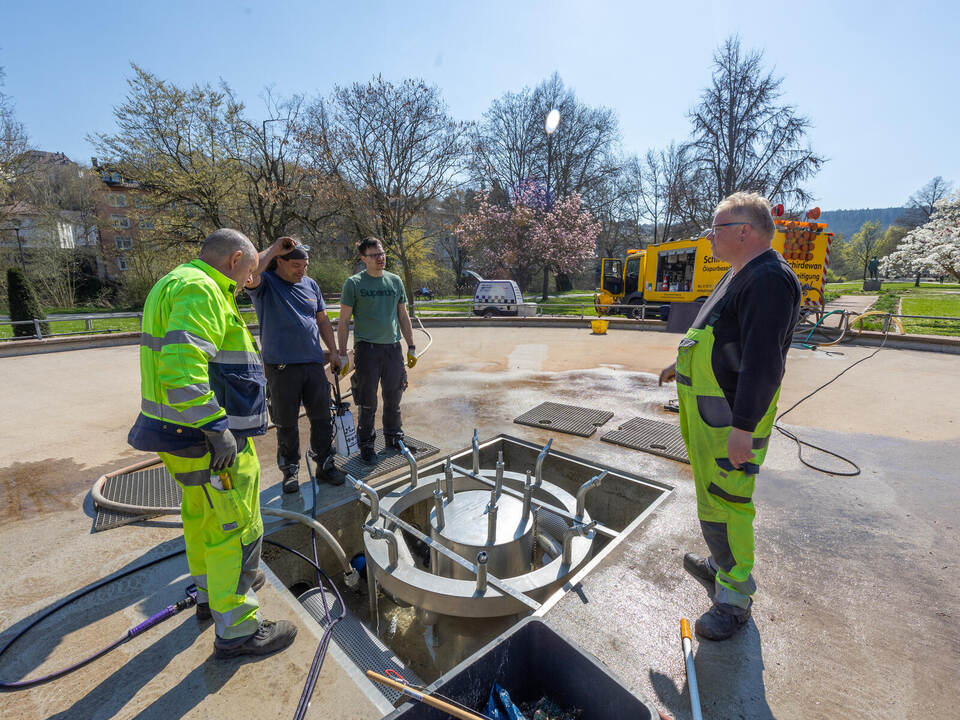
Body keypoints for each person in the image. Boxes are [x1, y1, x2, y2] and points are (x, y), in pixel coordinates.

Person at [128, 228, 297, 658]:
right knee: (236, 528)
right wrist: (216, 426)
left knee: (201, 516)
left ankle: (208, 595)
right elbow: (182, 367)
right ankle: (238, 627)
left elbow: (177, 361)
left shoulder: (174, 282)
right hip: (209, 438)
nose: (247, 284)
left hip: (176, 433)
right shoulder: (203, 290)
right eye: (248, 273)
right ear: (235, 259)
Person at [659, 193, 801, 641]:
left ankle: (735, 597)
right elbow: (716, 337)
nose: (709, 238)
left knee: (730, 502)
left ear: (744, 231)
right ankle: (721, 564)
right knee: (712, 495)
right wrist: (676, 365)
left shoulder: (769, 281)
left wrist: (743, 429)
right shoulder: (741, 274)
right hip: (711, 414)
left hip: (731, 420)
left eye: (716, 229)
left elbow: (763, 362)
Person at [245, 236, 347, 493]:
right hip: (280, 367)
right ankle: (290, 471)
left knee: (322, 417)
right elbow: (249, 270)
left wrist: (333, 351)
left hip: (312, 364)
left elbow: (322, 321)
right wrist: (275, 247)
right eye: (297, 266)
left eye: (305, 266)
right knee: (286, 422)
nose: (302, 271)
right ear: (279, 261)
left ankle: (325, 463)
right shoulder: (265, 283)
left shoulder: (311, 285)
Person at [336, 237, 417, 463]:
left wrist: (411, 346)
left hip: (392, 349)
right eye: (374, 255)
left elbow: (403, 315)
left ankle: (394, 437)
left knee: (394, 396)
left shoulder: (395, 281)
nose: (380, 258)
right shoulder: (354, 283)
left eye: (381, 253)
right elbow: (343, 321)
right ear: (364, 259)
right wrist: (342, 354)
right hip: (367, 350)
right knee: (367, 400)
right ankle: (367, 444)